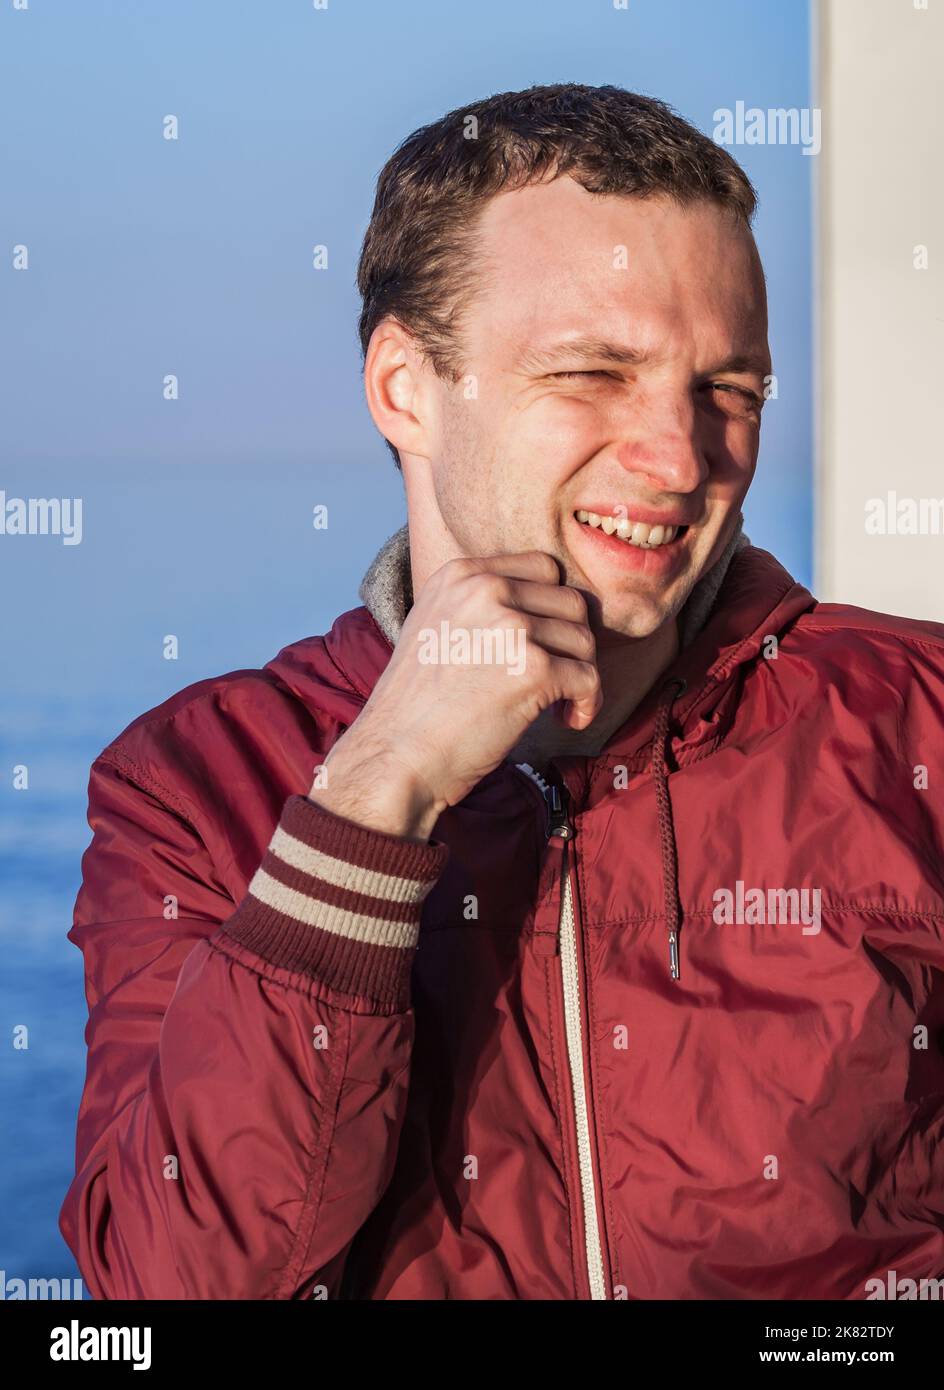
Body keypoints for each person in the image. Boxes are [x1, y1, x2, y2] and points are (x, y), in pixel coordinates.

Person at [60, 83, 944, 1301]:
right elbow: (170, 1293)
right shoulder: (192, 784)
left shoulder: (917, 723)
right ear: (403, 387)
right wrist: (375, 796)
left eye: (726, 390)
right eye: (591, 372)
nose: (682, 460)